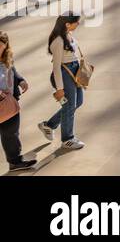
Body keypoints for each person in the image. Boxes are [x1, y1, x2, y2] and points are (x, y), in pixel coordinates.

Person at [37, 14, 88, 151]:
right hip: (65, 74)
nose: (77, 24)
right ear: (67, 24)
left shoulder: (68, 35)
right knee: (70, 105)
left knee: (77, 102)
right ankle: (67, 139)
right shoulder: (58, 41)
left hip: (73, 71)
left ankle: (49, 125)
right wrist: (60, 89)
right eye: (76, 22)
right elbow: (56, 67)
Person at [0, 30, 37, 170]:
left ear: (5, 45)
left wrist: (21, 80)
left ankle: (15, 161)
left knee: (11, 132)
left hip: (9, 101)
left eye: (0, 45)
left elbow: (13, 71)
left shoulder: (7, 57)